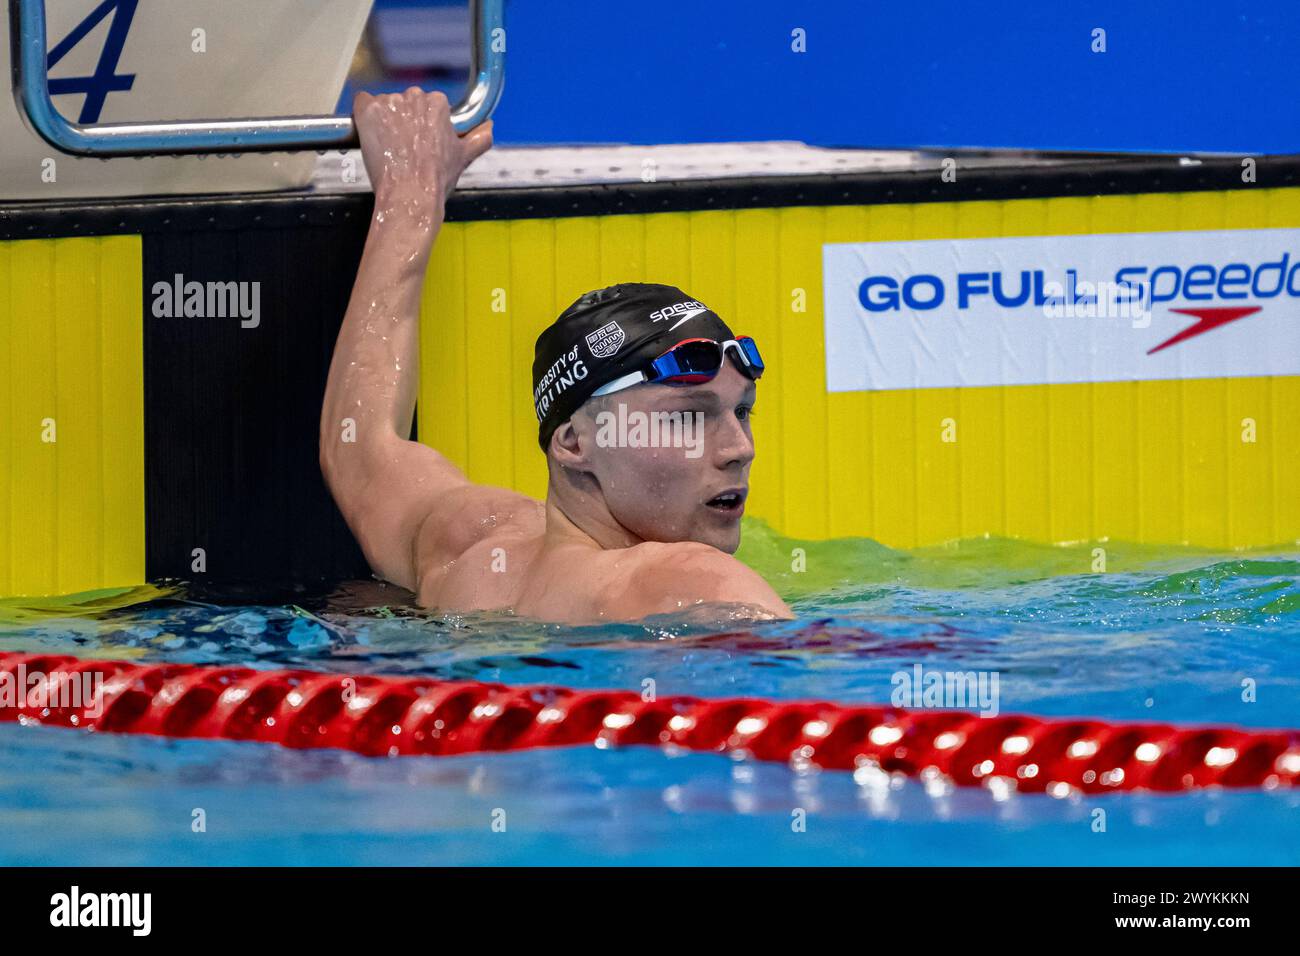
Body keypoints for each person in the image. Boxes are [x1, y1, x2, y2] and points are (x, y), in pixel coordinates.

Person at [320, 88, 792, 624]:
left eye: (742, 411)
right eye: (688, 417)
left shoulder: (471, 549)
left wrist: (408, 196)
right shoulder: (690, 580)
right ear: (573, 443)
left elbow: (358, 451)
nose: (740, 448)